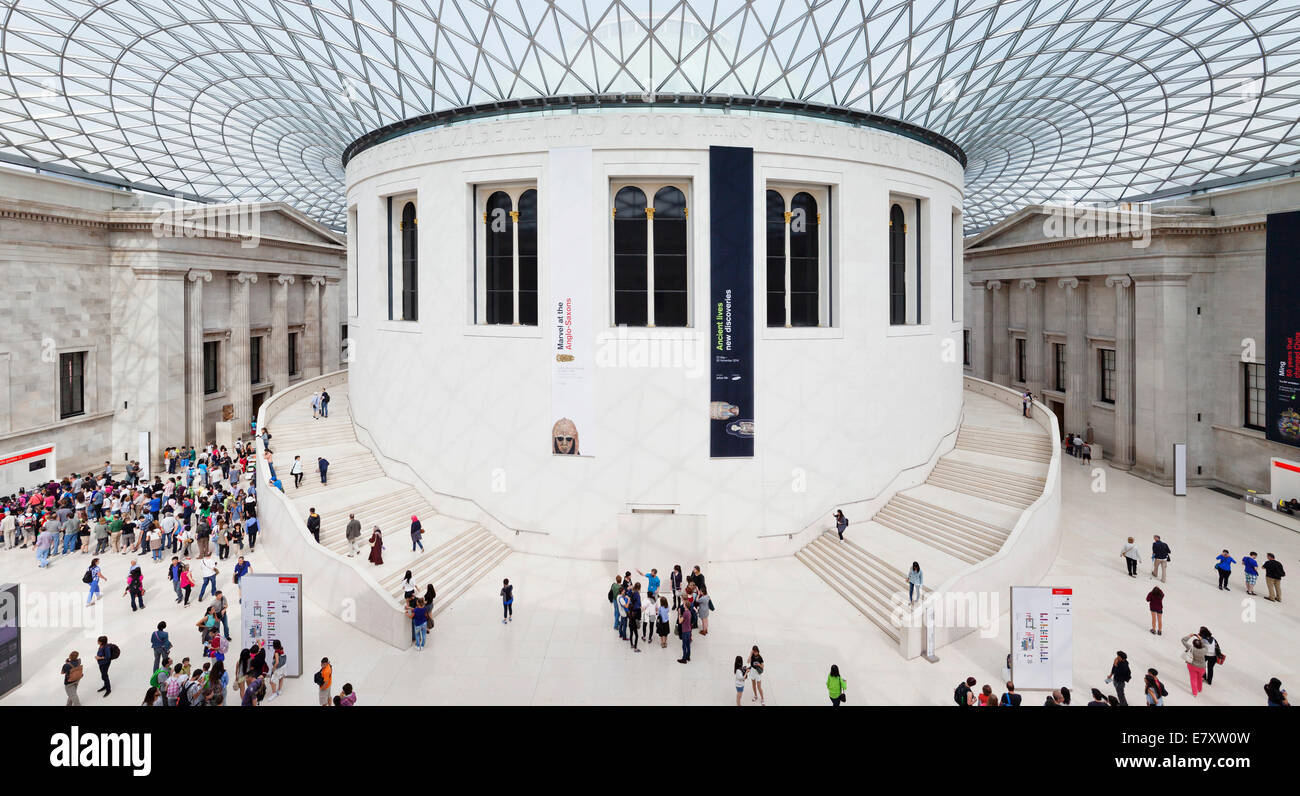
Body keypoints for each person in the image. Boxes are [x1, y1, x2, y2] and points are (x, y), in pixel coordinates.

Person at [676, 597, 692, 664]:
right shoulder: (689, 612)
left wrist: (679, 613)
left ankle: (684, 659)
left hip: (685, 631)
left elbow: (680, 621)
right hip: (689, 630)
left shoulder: (685, 613)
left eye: (684, 604)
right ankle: (688, 656)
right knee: (688, 645)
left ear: (685, 606)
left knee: (684, 645)